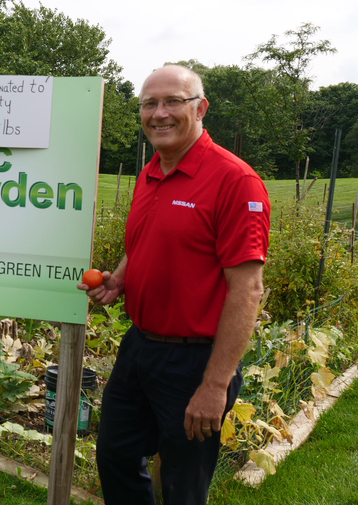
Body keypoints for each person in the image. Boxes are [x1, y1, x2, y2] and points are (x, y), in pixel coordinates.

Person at [79, 65, 270, 505]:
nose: (159, 113)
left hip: (195, 361)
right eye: (150, 104)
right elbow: (150, 235)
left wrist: (215, 385)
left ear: (200, 108)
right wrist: (121, 278)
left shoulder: (234, 181)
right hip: (141, 346)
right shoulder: (153, 172)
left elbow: (248, 291)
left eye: (172, 102)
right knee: (115, 455)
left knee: (183, 485)